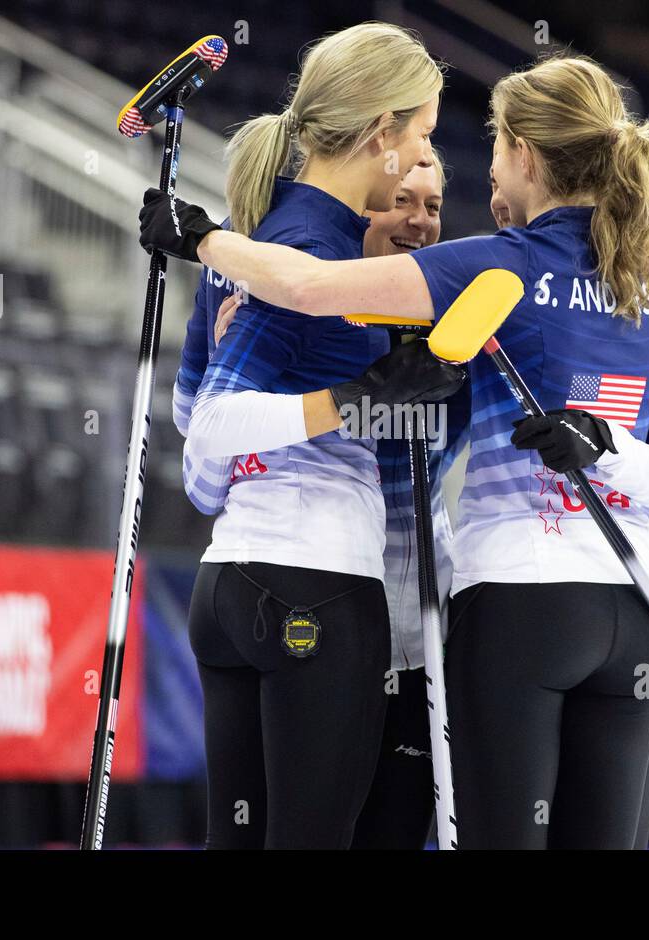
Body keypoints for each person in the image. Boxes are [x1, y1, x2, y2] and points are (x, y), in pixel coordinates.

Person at [141, 53, 649, 848]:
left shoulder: (497, 266)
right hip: (630, 612)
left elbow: (312, 287)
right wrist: (613, 408)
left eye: (491, 147)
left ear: (525, 156)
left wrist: (207, 242)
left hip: (514, 607)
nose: (466, 187)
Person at [148, 22, 461, 850]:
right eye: (422, 134)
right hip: (315, 588)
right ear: (381, 133)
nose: (423, 152)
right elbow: (211, 427)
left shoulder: (270, 243)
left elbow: (198, 413)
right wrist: (352, 398)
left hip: (236, 588)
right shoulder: (310, 247)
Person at [209, 156, 466, 849]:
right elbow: (208, 462)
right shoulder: (304, 320)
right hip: (322, 600)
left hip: (411, 646)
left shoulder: (451, 332)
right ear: (363, 207)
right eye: (402, 200)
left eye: (434, 205)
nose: (419, 219)